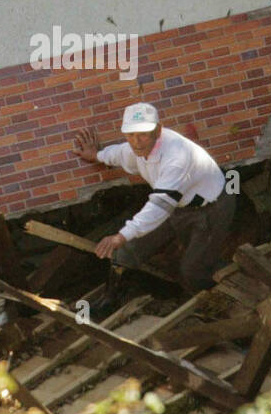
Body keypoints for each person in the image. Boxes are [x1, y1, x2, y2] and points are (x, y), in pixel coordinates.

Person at [72, 102, 236, 292]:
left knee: (192, 270)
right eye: (130, 135)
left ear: (158, 130)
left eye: (142, 134)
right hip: (176, 207)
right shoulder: (139, 147)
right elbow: (120, 153)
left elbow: (159, 206)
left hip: (210, 210)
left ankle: (217, 298)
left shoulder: (176, 158)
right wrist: (98, 155)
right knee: (126, 252)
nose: (136, 141)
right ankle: (111, 296)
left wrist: (121, 236)